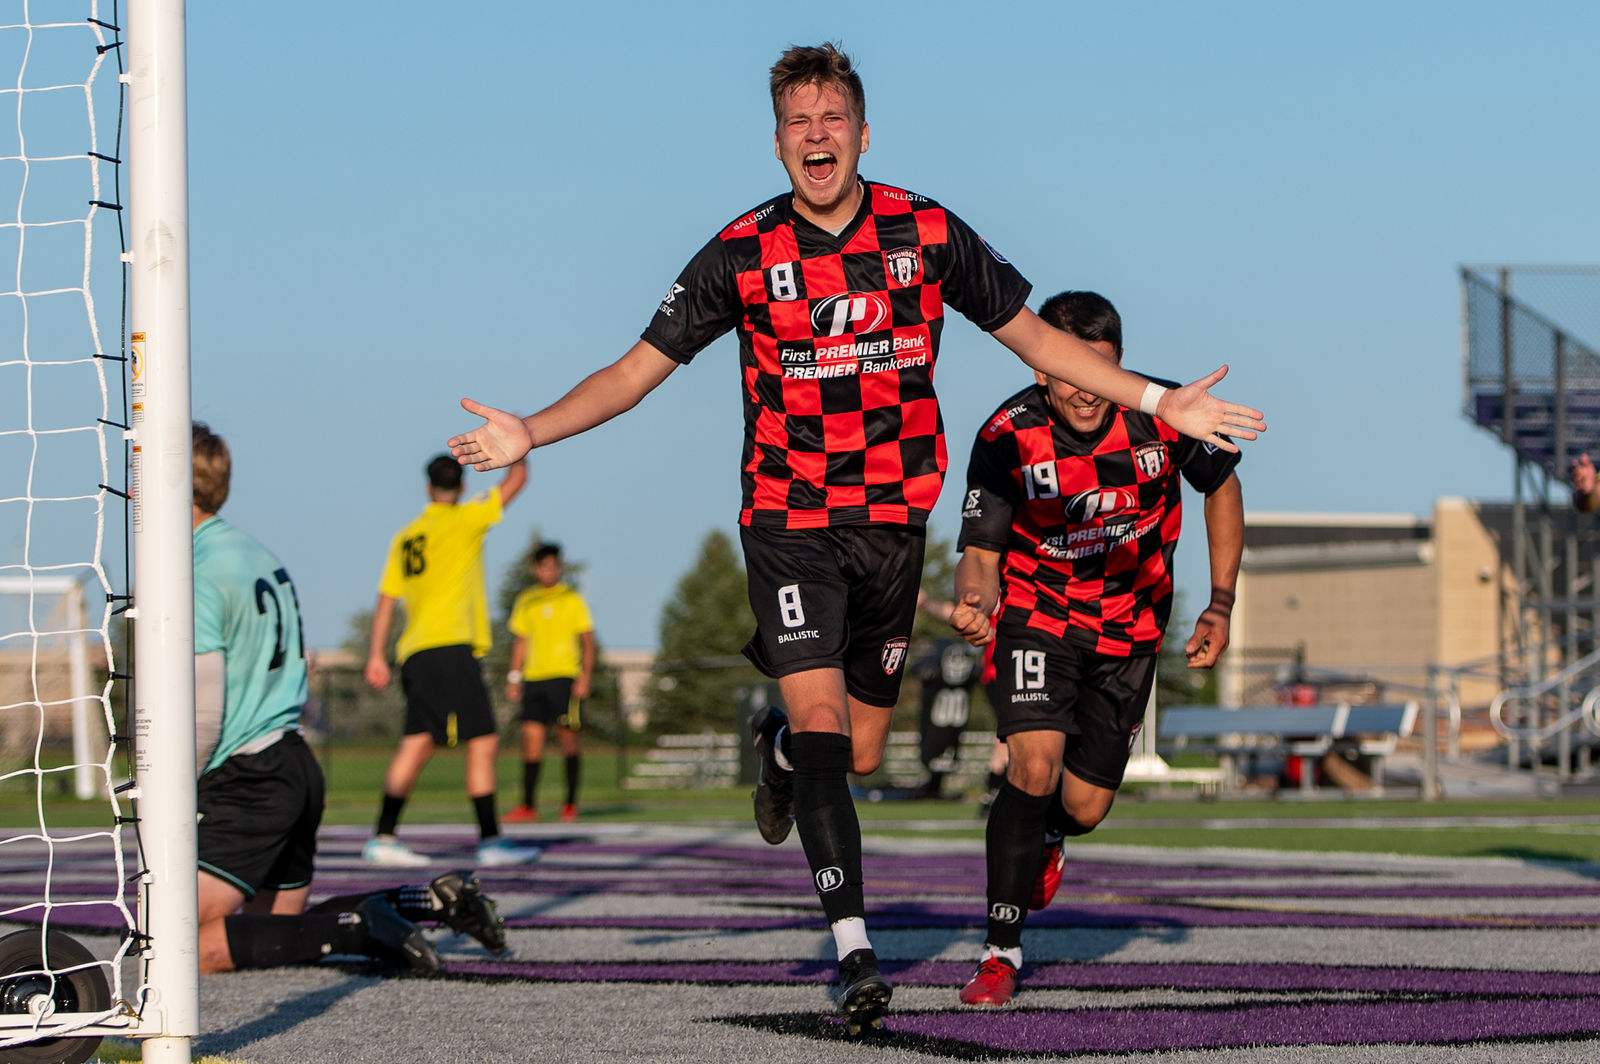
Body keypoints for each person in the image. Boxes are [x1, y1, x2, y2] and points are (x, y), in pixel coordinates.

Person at [445, 44, 1262, 1030]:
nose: (817, 135)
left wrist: (1161, 400)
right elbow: (633, 370)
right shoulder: (743, 251)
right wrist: (531, 427)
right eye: (799, 122)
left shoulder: (923, 231)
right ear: (779, 141)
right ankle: (853, 949)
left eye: (833, 118)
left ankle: (780, 752)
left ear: (862, 133)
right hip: (788, 522)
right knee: (835, 727)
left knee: (854, 745)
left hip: (890, 530)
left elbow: (1036, 341)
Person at [947, 291, 1245, 1007]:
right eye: (1069, 368)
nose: (1085, 387)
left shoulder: (1160, 415)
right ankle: (1000, 951)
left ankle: (1050, 835)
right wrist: (975, 601)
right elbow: (980, 552)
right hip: (1039, 620)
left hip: (1131, 632)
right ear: (1042, 367)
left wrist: (1221, 601)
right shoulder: (1006, 434)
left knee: (1083, 807)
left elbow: (1222, 485)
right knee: (1032, 764)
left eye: (1101, 368)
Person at [190, 423, 507, 975]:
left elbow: (204, 703)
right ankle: (421, 902)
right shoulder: (255, 553)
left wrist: (172, 784)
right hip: (291, 761)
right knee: (280, 928)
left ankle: (359, 924)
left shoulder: (195, 568)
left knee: (172, 940)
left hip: (248, 772)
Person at [363, 453, 538, 869]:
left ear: (427, 487)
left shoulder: (406, 536)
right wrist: (518, 444)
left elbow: (386, 600)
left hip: (415, 652)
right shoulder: (467, 518)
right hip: (452, 647)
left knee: (419, 741)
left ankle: (383, 836)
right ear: (460, 486)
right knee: (482, 739)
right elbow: (518, 479)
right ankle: (491, 839)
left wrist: (376, 655)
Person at [504, 542, 596, 822]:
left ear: (560, 568)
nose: (549, 571)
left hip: (564, 678)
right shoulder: (526, 600)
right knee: (531, 741)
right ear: (535, 569)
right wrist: (514, 677)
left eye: (554, 566)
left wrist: (584, 676)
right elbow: (521, 641)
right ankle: (528, 806)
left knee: (568, 740)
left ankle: (570, 803)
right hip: (534, 679)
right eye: (544, 566)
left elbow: (587, 641)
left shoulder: (571, 598)